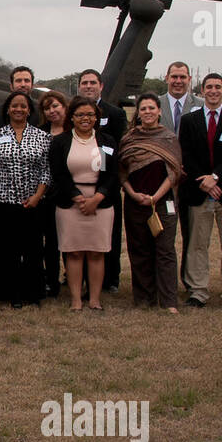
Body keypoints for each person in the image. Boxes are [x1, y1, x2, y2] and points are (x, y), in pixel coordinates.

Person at [178, 72, 222, 311]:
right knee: (197, 243)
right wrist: (204, 181)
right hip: (198, 192)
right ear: (202, 90)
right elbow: (185, 154)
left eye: (218, 87)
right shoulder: (189, 120)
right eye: (209, 87)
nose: (214, 91)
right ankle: (198, 291)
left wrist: (215, 177)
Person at [49, 95, 118, 311]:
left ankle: (95, 299)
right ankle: (76, 299)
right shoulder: (61, 142)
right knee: (74, 252)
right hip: (71, 204)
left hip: (100, 204)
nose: (85, 119)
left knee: (97, 252)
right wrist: (76, 196)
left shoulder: (106, 142)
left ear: (97, 117)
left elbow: (111, 174)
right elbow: (58, 173)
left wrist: (97, 198)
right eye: (80, 115)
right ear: (72, 117)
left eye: (90, 114)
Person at [0, 90, 50, 308]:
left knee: (33, 249)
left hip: (33, 202)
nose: (18, 109)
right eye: (14, 106)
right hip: (5, 203)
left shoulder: (41, 137)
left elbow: (46, 170)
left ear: (29, 110)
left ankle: (33, 292)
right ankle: (10, 293)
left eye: (23, 106)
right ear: (7, 109)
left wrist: (38, 196)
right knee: (7, 250)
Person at [119, 92, 184, 313]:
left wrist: (156, 196)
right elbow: (122, 172)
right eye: (143, 109)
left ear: (159, 111)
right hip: (134, 201)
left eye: (151, 108)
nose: (147, 112)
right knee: (139, 250)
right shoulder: (128, 138)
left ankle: (169, 302)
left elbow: (174, 171)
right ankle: (144, 298)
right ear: (138, 112)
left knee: (165, 251)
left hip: (163, 201)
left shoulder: (169, 138)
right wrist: (132, 193)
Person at [77, 68, 127, 292]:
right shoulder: (75, 111)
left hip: (107, 184)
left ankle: (111, 279)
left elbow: (119, 149)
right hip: (80, 181)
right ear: (79, 87)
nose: (89, 86)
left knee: (110, 234)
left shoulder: (115, 114)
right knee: (80, 234)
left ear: (101, 86)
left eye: (92, 83)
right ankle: (78, 275)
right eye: (85, 83)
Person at [158, 59, 199, 286]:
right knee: (164, 235)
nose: (178, 81)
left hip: (192, 181)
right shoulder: (154, 104)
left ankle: (190, 281)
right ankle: (164, 281)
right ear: (167, 78)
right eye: (174, 76)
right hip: (162, 182)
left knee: (192, 235)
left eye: (183, 77)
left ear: (189, 79)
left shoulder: (201, 105)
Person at [37, 90, 68, 296]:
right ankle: (50, 280)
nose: (52, 111)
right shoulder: (39, 132)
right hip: (45, 194)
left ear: (64, 107)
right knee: (48, 241)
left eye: (55, 106)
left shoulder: (74, 132)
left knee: (67, 240)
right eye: (47, 108)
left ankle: (73, 277)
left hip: (68, 194)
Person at [0, 66, 40, 131]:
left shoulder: (41, 112)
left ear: (32, 86)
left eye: (26, 81)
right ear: (11, 86)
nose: (23, 84)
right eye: (18, 81)